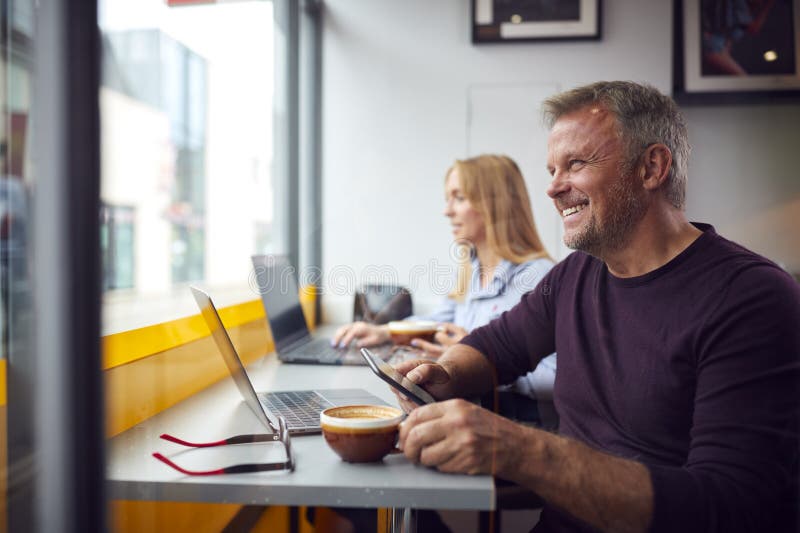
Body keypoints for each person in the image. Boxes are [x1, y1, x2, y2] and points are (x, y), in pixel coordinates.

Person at [393, 81, 800, 533]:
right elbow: (496, 345)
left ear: (651, 167)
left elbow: (729, 506)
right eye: (552, 170)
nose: (553, 188)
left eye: (576, 164)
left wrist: (521, 450)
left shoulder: (753, 297)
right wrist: (443, 373)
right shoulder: (576, 274)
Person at [332, 153, 557, 420]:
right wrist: (383, 332)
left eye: (459, 198)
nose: (447, 211)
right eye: (448, 199)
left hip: (517, 423)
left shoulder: (539, 277)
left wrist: (475, 362)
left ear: (495, 204)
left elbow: (557, 377)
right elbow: (438, 321)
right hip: (475, 412)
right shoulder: (473, 270)